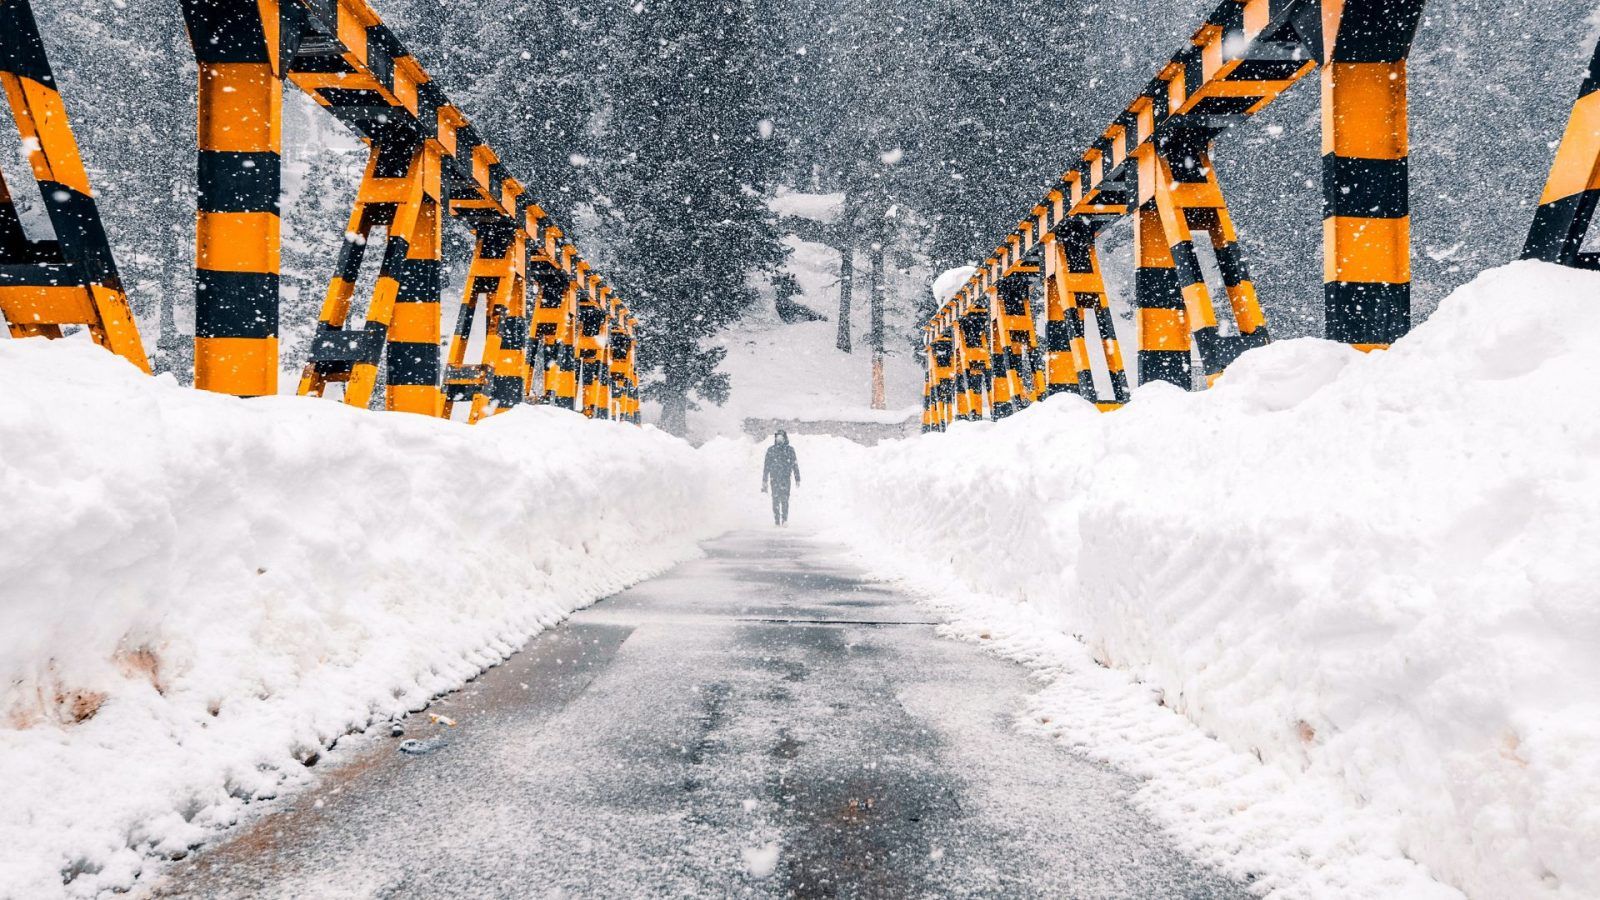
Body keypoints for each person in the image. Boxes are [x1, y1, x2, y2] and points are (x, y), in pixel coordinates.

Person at [761, 430, 801, 526]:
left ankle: (784, 520)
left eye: (781, 438)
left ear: (785, 439)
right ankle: (777, 521)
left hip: (785, 478)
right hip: (774, 478)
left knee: (785, 499)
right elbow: (766, 466)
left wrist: (797, 478)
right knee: (775, 499)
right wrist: (764, 479)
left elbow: (795, 464)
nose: (779, 440)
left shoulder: (790, 450)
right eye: (777, 438)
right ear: (775, 439)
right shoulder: (771, 450)